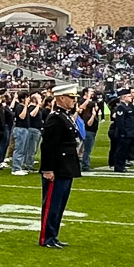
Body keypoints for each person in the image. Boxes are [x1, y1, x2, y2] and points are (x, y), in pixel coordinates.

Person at [38, 85, 83, 248]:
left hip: (66, 167)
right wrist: (48, 169)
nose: (74, 101)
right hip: (57, 168)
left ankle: (53, 235)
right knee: (52, 205)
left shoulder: (65, 116)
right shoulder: (56, 118)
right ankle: (46, 237)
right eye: (71, 98)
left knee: (59, 205)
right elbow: (48, 146)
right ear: (61, 98)